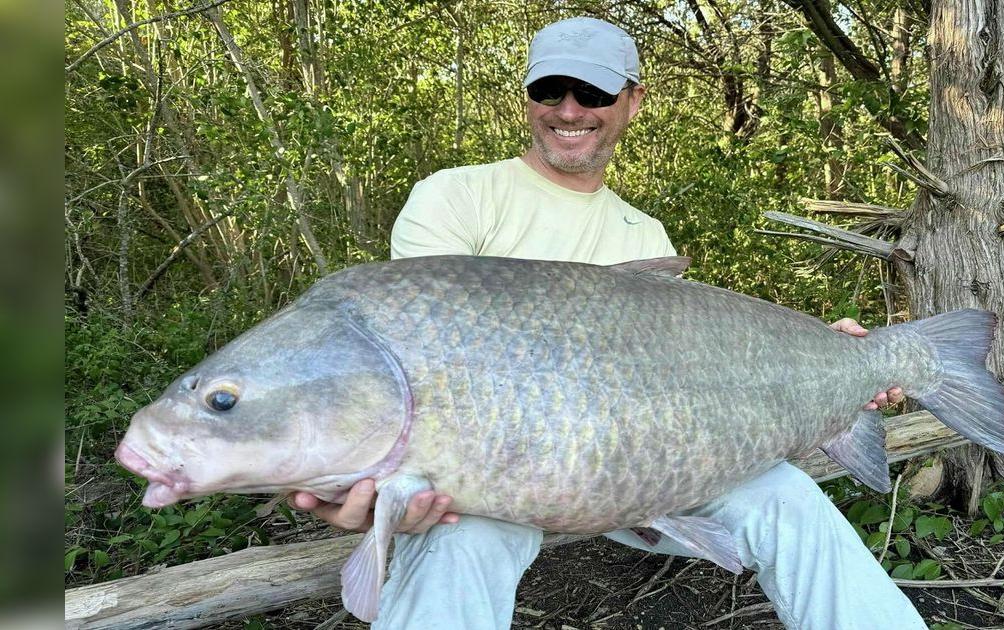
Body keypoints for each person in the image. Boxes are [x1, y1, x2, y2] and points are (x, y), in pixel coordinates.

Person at [291, 16, 924, 629]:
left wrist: (828, 365)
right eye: (550, 90)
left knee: (792, 500)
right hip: (488, 474)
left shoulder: (643, 236)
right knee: (459, 541)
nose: (569, 111)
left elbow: (697, 384)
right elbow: (417, 367)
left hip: (640, 467)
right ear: (528, 97)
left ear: (632, 102)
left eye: (592, 93)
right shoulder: (456, 197)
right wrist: (360, 474)